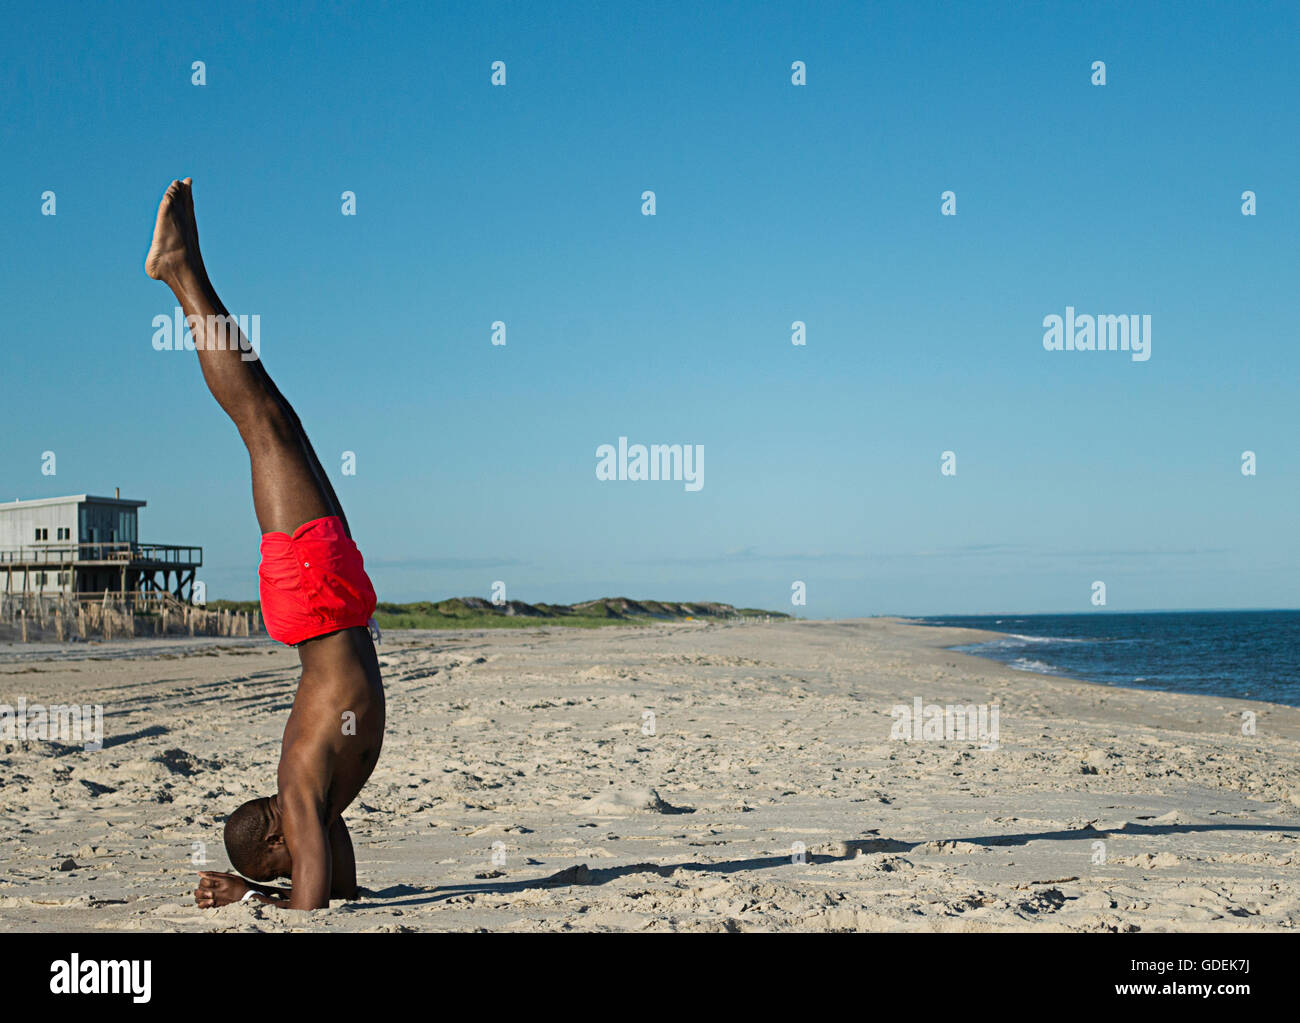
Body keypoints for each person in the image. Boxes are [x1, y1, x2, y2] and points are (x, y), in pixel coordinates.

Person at [145, 178, 384, 910]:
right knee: (278, 420)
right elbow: (332, 892)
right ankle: (186, 272)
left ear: (280, 841)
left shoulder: (301, 787)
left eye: (285, 859)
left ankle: (182, 274)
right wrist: (257, 888)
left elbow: (309, 894)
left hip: (317, 601)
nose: (301, 859)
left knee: (266, 424)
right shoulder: (315, 801)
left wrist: (251, 890)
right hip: (327, 604)